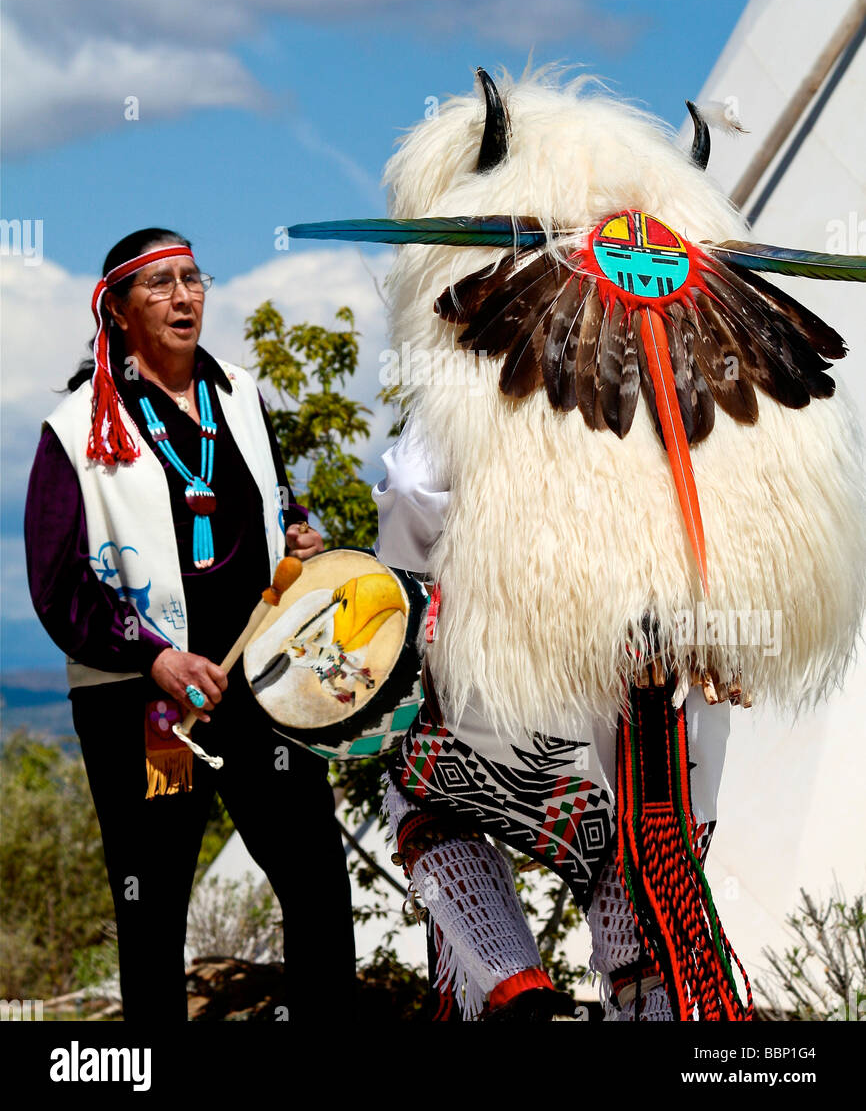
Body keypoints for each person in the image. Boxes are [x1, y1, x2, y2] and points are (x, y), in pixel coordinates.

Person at [288, 68, 866, 1020]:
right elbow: (788, 537)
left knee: (423, 803)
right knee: (648, 915)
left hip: (508, 702)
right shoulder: (742, 379)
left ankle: (511, 995)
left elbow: (414, 498)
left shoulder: (490, 363)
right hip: (661, 734)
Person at [25, 227, 356, 1023]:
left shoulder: (238, 394)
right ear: (120, 310)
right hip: (146, 707)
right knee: (153, 901)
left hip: (260, 683)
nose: (184, 297)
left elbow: (266, 501)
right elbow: (59, 583)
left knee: (315, 873)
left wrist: (296, 533)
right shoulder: (77, 432)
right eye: (161, 285)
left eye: (193, 279)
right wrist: (155, 658)